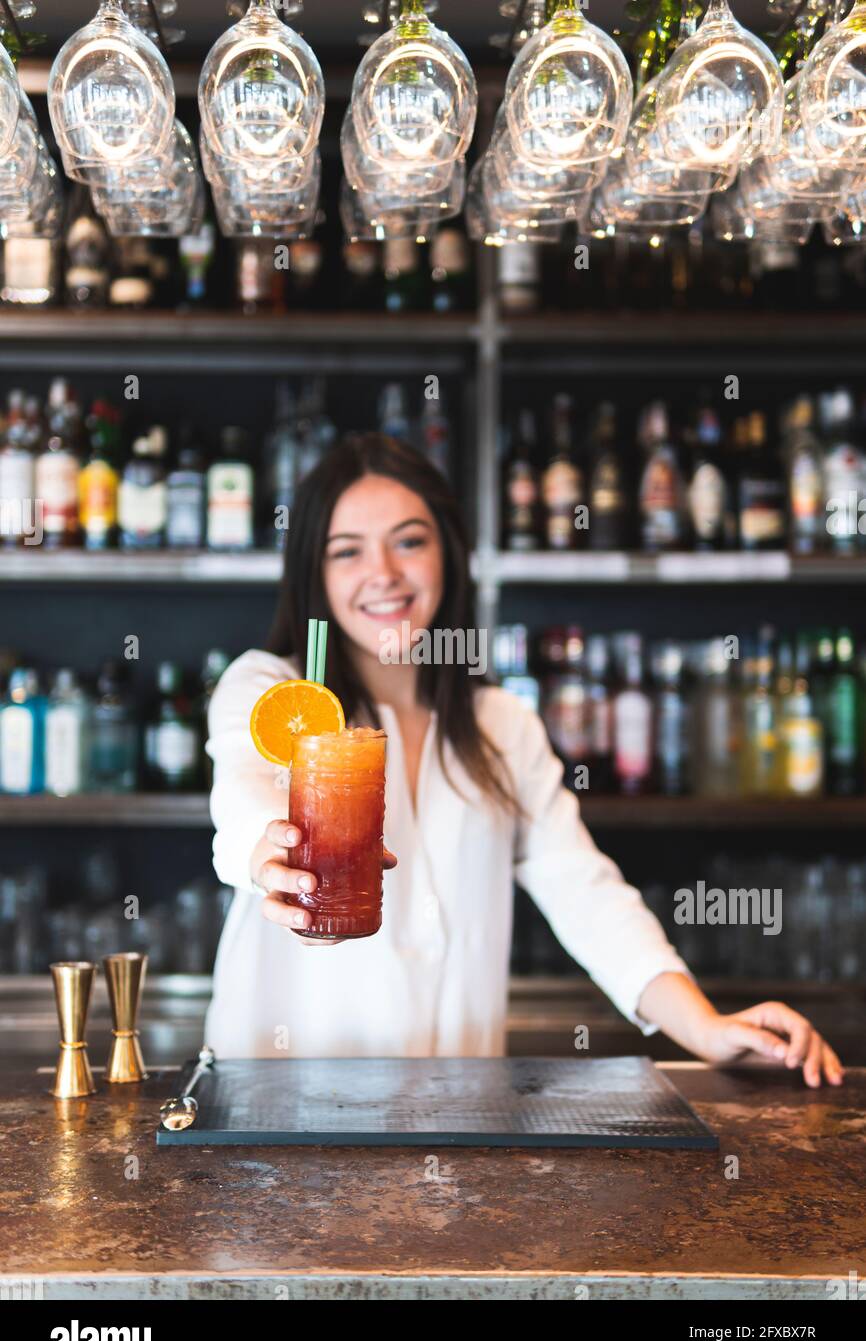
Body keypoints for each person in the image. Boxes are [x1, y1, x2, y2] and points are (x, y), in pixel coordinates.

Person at [205, 433, 843, 1087]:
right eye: (347, 552)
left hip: (452, 1124)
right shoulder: (270, 692)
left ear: (449, 554)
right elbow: (245, 793)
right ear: (312, 572)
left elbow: (584, 890)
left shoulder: (501, 724)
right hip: (279, 1114)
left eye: (410, 541)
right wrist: (275, 866)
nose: (384, 574)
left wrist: (704, 1028)